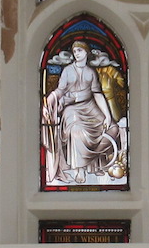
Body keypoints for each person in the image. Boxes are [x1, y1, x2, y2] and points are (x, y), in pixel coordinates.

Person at [42, 40, 121, 184]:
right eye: (75, 51)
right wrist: (50, 99)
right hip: (72, 108)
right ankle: (79, 169)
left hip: (90, 106)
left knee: (113, 128)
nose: (76, 53)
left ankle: (95, 162)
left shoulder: (91, 72)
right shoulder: (67, 70)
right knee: (76, 130)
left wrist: (107, 116)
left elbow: (97, 93)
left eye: (79, 50)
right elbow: (60, 91)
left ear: (86, 52)